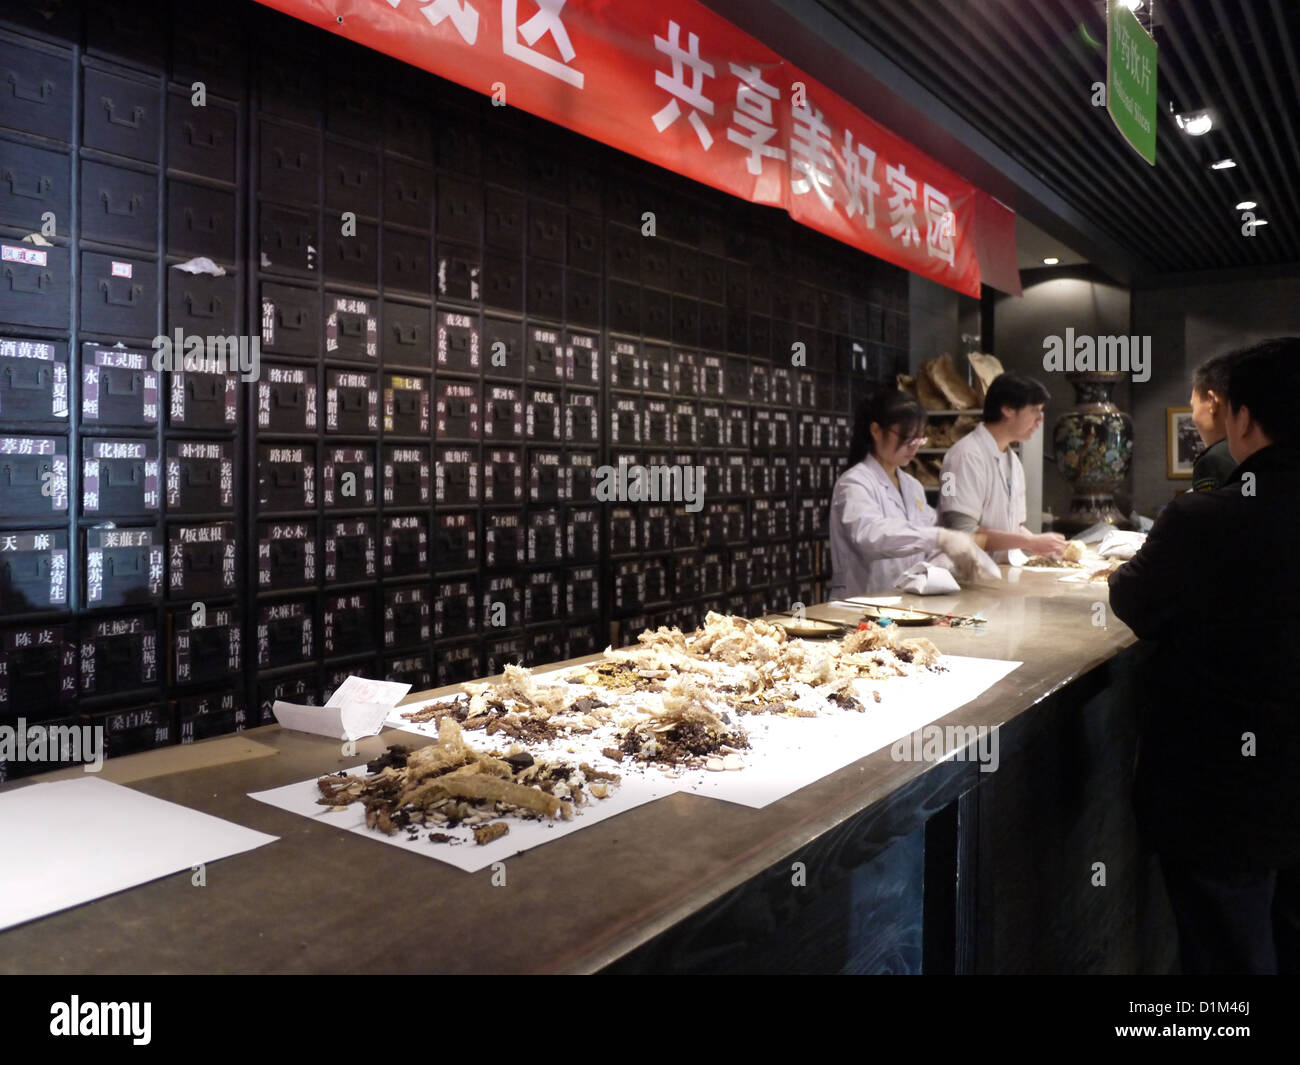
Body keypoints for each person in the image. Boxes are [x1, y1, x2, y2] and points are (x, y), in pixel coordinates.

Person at [1108, 337, 1300, 975]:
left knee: (1228, 951)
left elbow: (1133, 599)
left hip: (1224, 789)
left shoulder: (1207, 517)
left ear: (1242, 418)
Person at [829, 388, 987, 597]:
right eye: (906, 438)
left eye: (919, 439)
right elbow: (871, 536)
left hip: (904, 604)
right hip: (859, 603)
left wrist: (951, 554)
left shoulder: (912, 486)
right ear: (876, 431)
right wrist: (941, 537)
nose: (914, 448)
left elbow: (926, 545)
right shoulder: (854, 483)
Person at [938, 372, 1067, 561]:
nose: (1040, 420)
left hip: (998, 572)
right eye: (1034, 410)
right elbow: (962, 532)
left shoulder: (1012, 460)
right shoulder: (964, 456)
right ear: (1007, 409)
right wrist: (1029, 542)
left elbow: (1012, 528)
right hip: (966, 575)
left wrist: (1041, 543)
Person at [1189, 350, 1242, 492]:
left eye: (1193, 407)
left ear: (1212, 402)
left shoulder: (1213, 461)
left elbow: (1209, 513)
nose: (1193, 418)